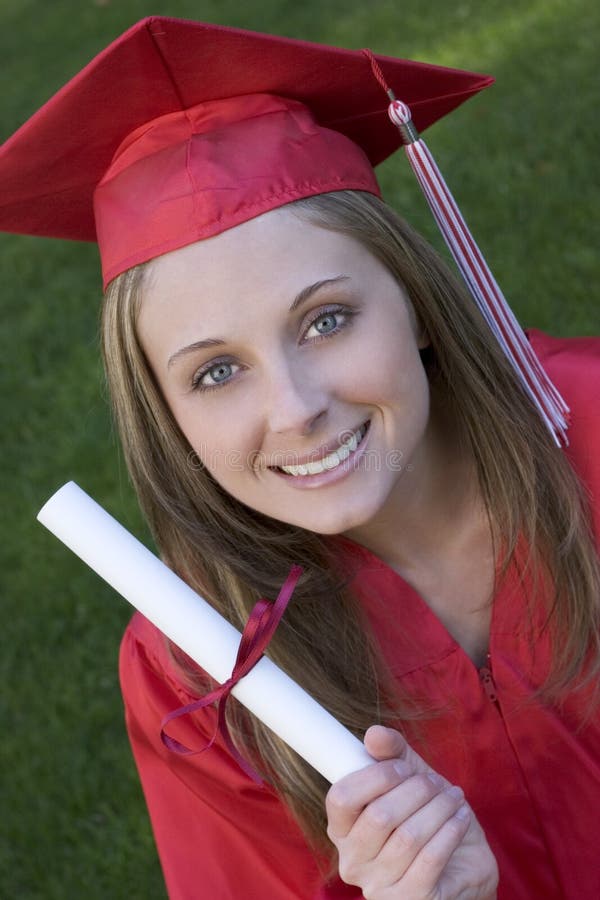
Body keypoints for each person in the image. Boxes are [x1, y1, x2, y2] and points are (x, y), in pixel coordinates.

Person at [2, 15, 599, 900]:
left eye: (326, 319)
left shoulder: (587, 427)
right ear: (165, 415)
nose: (296, 411)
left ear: (417, 301)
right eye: (215, 373)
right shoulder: (195, 669)